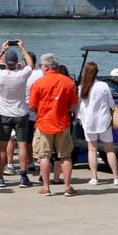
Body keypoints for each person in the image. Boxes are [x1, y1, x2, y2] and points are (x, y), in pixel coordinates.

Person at [28, 53, 79, 196]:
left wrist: (42, 109)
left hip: (44, 123)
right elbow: (74, 105)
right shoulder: (68, 82)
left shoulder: (39, 83)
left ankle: (46, 187)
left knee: (44, 156)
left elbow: (31, 105)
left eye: (41, 66)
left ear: (46, 66)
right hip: (62, 122)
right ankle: (67, 187)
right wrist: (63, 110)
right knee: (65, 155)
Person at [0, 40, 34, 188]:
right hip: (21, 113)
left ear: (6, 62)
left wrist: (1, 51)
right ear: (16, 63)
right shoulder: (22, 75)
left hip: (4, 114)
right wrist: (23, 48)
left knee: (2, 146)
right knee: (21, 145)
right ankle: (23, 176)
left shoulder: (0, 75)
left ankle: (0, 178)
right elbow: (30, 65)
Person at [76, 62, 118, 186]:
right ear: (97, 72)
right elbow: (111, 104)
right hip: (104, 121)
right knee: (109, 150)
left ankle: (94, 177)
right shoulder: (103, 85)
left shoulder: (82, 87)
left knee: (92, 150)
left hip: (89, 122)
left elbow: (79, 107)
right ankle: (116, 177)